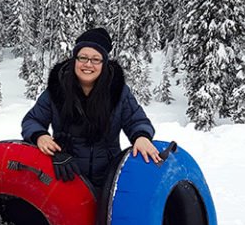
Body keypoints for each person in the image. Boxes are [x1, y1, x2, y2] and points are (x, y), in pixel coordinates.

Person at [22, 27, 161, 189]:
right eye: (83, 58)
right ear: (75, 59)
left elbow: (136, 120)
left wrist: (141, 136)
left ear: (104, 63)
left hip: (107, 177)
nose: (88, 64)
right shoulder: (56, 89)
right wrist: (40, 136)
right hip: (65, 173)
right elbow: (32, 120)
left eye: (96, 59)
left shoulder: (118, 91)